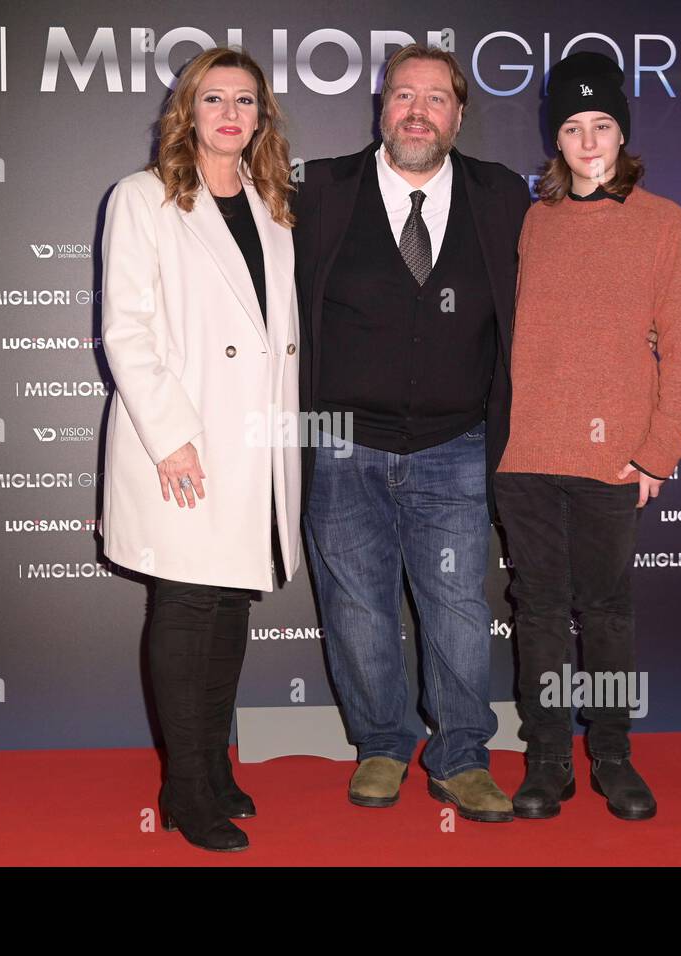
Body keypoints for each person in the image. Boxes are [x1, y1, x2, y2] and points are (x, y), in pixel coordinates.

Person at [292, 44, 531, 823]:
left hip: (457, 445)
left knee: (457, 607)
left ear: (460, 114)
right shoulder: (321, 190)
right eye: (403, 95)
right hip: (341, 441)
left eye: (435, 97)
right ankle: (382, 747)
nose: (417, 111)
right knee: (356, 607)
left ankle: (462, 756)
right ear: (380, 109)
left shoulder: (502, 197)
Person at [493, 51, 681, 821]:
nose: (588, 141)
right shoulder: (534, 220)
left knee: (608, 612)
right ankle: (549, 758)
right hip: (526, 458)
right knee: (540, 612)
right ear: (557, 139)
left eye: (603, 125)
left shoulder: (666, 224)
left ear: (623, 134)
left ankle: (612, 753)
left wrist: (658, 450)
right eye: (574, 127)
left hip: (614, 457)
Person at [98, 46, 302, 852]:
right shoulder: (143, 199)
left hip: (253, 446)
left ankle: (211, 769)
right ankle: (185, 788)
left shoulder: (273, 205)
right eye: (213, 98)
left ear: (261, 118)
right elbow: (127, 327)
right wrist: (172, 437)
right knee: (185, 607)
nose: (229, 114)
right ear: (188, 111)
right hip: (182, 441)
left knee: (225, 611)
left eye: (245, 101)